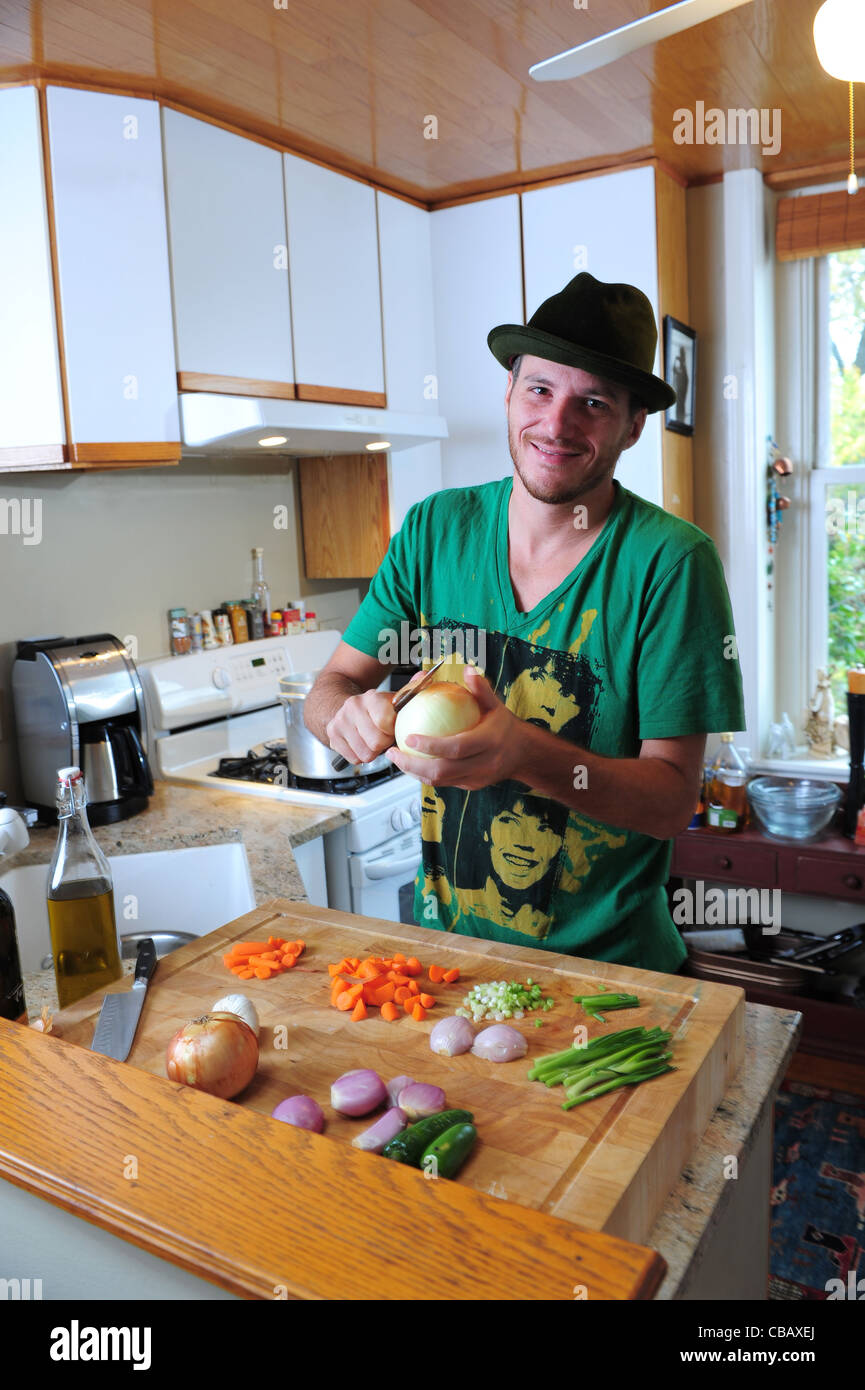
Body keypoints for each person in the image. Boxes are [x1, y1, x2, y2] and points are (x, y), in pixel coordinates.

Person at [303, 272, 745, 972]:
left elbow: (669, 801)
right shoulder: (432, 531)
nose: (557, 423)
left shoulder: (670, 563)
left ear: (632, 424)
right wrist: (342, 716)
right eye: (539, 389)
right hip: (448, 958)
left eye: (592, 402)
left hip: (612, 972)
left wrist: (523, 752)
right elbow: (333, 681)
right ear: (508, 393)